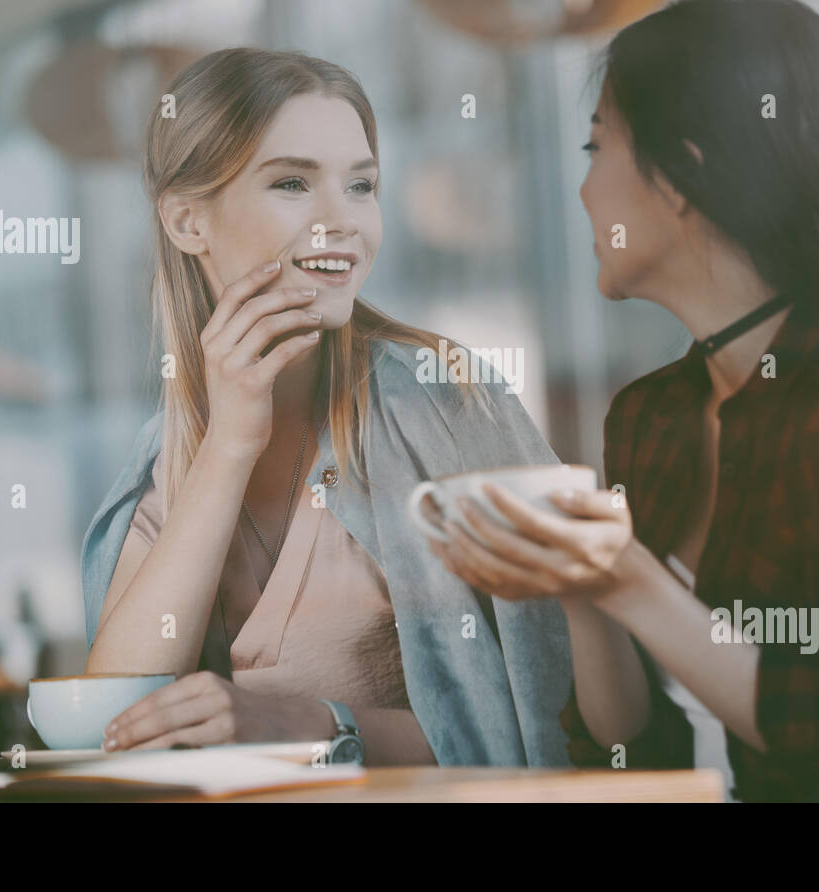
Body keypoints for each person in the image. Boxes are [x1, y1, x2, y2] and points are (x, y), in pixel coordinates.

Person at [425, 0, 819, 799]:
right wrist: (580, 584)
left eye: (597, 147)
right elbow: (638, 756)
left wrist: (629, 578)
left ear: (684, 174)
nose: (584, 191)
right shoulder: (651, 417)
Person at [79, 48, 572, 766]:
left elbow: (563, 722)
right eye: (291, 183)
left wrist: (311, 725)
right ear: (188, 222)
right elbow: (113, 731)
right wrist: (228, 448)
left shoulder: (447, 401)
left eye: (361, 185)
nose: (341, 221)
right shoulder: (165, 460)